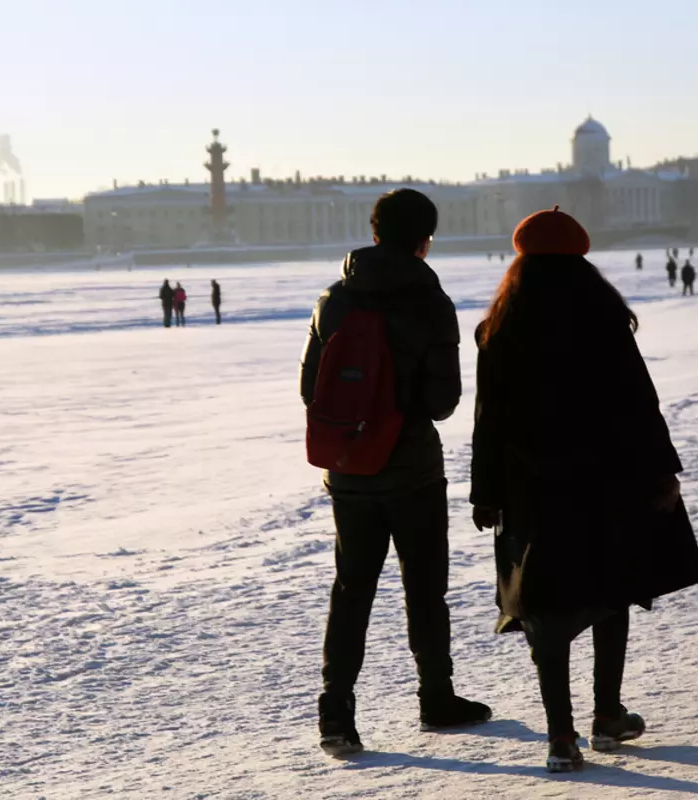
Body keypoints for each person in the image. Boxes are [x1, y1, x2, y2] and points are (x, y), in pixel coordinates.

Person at [470, 207, 698, 773]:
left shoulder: (498, 329)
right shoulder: (603, 319)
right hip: (607, 481)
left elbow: (488, 421)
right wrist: (661, 473)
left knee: (545, 607)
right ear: (582, 259)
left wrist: (486, 492)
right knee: (609, 591)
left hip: (532, 489)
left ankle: (560, 738)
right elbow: (638, 405)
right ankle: (606, 716)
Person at [300, 188, 491, 757]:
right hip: (411, 470)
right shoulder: (431, 300)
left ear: (375, 231)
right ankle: (437, 699)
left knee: (351, 588)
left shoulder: (334, 297)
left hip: (350, 470)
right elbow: (442, 401)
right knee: (425, 590)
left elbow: (312, 388)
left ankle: (336, 713)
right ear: (425, 239)